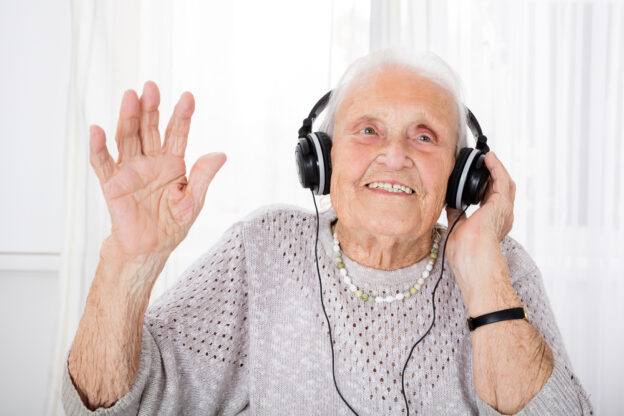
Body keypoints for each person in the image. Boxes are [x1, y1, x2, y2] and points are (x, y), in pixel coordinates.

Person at [62, 50, 594, 415]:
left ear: (462, 175)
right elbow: (117, 404)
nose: (394, 155)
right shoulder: (263, 250)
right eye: (368, 130)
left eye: (425, 136)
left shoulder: (502, 267)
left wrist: (482, 271)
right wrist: (127, 263)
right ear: (322, 158)